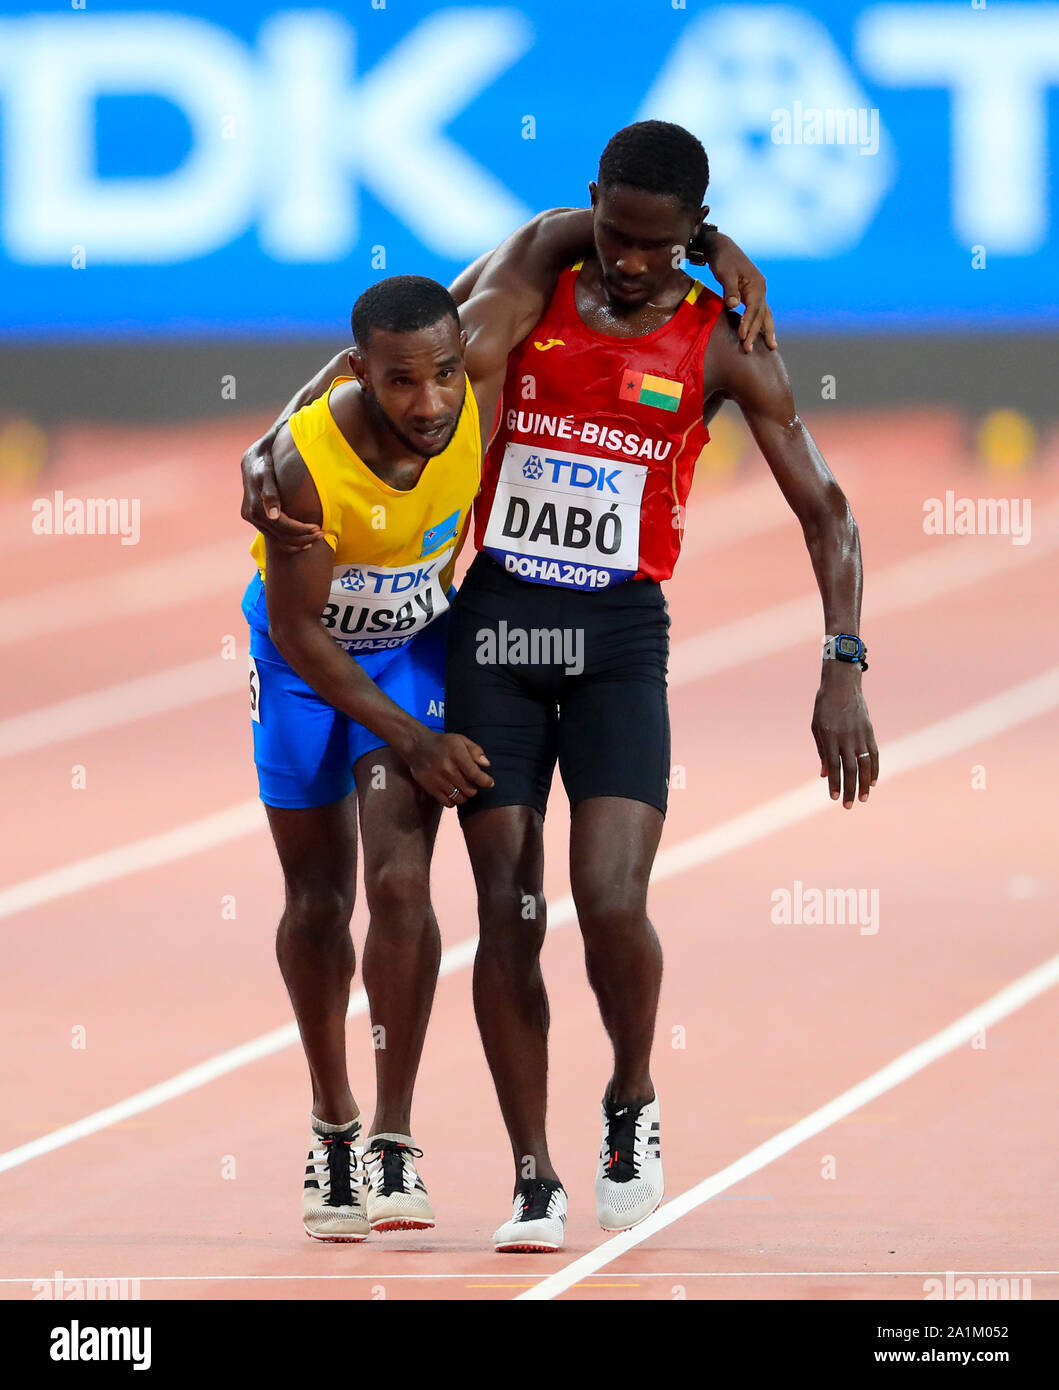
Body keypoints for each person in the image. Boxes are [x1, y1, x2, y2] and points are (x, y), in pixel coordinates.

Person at [242, 132, 796, 1251]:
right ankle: (363, 1127)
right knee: (333, 904)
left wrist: (717, 241)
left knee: (440, 882)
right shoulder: (334, 447)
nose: (434, 399)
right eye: (406, 378)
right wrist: (267, 440)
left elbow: (823, 505)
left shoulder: (502, 391)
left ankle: (451, 1131)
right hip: (345, 662)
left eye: (447, 375)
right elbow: (301, 630)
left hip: (470, 647)